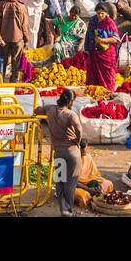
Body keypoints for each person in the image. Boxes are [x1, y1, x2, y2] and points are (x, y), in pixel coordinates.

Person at [40, 88, 83, 217]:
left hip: (58, 152)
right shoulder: (70, 114)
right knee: (70, 184)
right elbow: (79, 129)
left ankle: (63, 209)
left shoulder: (50, 109)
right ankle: (69, 211)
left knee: (59, 182)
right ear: (70, 101)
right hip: (72, 153)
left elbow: (37, 110)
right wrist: (77, 141)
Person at [0, 0, 29, 83]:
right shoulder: (21, 6)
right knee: (16, 61)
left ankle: (0, 79)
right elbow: (24, 25)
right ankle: (14, 82)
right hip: (17, 38)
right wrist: (26, 39)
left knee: (3, 60)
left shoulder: (1, 4)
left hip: (3, 38)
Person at [84, 4, 120, 90]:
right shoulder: (93, 21)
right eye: (98, 13)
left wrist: (103, 40)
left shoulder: (110, 23)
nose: (100, 15)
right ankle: (94, 91)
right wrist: (87, 49)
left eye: (102, 13)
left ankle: (108, 91)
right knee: (93, 73)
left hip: (107, 54)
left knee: (107, 74)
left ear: (106, 13)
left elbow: (115, 39)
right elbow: (88, 36)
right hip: (94, 51)